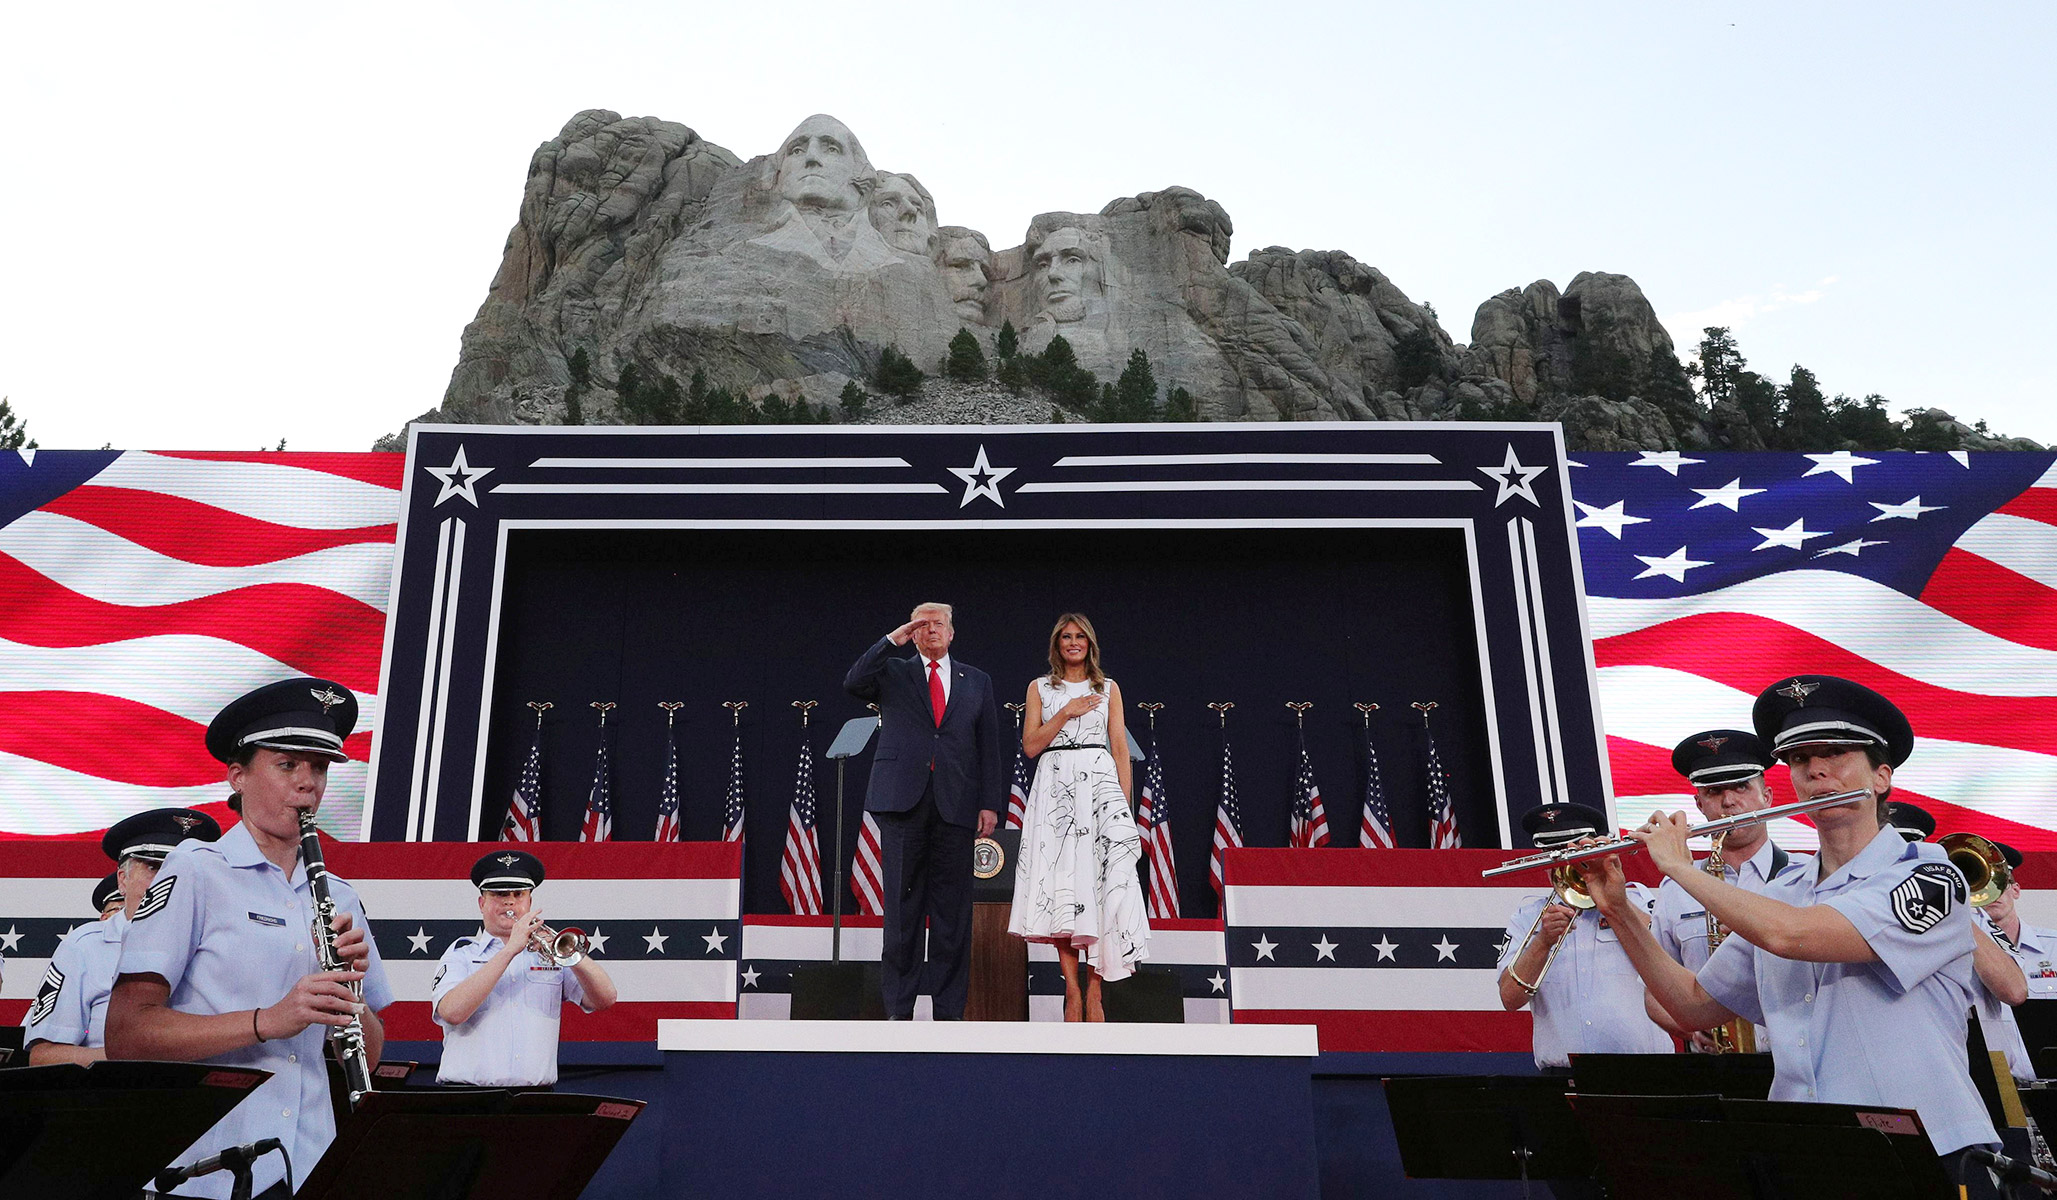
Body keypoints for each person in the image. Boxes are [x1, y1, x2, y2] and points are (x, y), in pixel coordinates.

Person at [1580, 674, 2001, 1186]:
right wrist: (1620, 909)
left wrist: (1680, 867)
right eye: (1800, 759)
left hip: (1924, 1147)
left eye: (1837, 753)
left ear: (1882, 777)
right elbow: (1691, 1005)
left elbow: (1795, 937)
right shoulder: (1785, 891)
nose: (1817, 770)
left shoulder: (1931, 874)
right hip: (1805, 1148)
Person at [108, 678, 394, 1200]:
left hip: (308, 1164)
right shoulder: (195, 870)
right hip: (207, 1173)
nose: (308, 783)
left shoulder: (342, 897)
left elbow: (368, 1057)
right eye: (287, 765)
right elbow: (126, 1035)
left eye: (320, 766)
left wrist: (352, 1003)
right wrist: (269, 1021)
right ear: (237, 776)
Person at [844, 602, 1005, 1020]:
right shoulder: (894, 672)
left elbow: (988, 745)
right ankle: (899, 1010)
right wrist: (891, 641)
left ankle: (949, 1014)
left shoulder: (977, 680)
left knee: (953, 916)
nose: (931, 630)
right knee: (901, 912)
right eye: (923, 625)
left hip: (957, 806)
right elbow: (854, 682)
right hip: (902, 803)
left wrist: (990, 803)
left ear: (952, 633)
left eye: (939, 624)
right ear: (912, 633)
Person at [1009, 614, 1150, 1021]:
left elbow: (1120, 747)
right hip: (1056, 790)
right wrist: (1066, 712)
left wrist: (1122, 806)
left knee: (1103, 886)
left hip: (1101, 790)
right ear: (1057, 644)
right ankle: (1070, 988)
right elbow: (1031, 746)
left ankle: (1095, 988)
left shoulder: (1108, 689)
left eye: (1080, 637)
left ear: (1090, 644)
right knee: (1063, 886)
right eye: (1066, 637)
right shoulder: (1040, 688)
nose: (1073, 643)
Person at [1646, 729, 1808, 1050]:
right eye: (1714, 791)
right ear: (1699, 804)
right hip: (1715, 1064)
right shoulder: (1675, 887)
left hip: (1797, 1057)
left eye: (1742, 787)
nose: (1729, 801)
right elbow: (1654, 992)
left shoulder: (1804, 875)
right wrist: (1691, 1029)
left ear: (1768, 797)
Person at [24, 808, 222, 1065]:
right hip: (115, 1099)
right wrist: (135, 1058)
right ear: (122, 880)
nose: (169, 881)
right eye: (154, 867)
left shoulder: (226, 946)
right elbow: (44, 1057)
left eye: (185, 871)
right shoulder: (86, 947)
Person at [1496, 801, 1673, 1070]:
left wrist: (1618, 906)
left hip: (1645, 1072)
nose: (1566, 864)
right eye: (1552, 854)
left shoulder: (1644, 902)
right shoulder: (1528, 916)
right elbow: (1509, 998)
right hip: (1563, 1076)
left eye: (1576, 852)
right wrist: (1542, 941)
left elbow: (1675, 969)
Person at [433, 849, 618, 1087]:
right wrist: (510, 950)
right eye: (499, 894)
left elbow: (605, 999)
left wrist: (573, 955)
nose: (509, 901)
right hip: (469, 1098)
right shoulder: (461, 953)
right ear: (482, 903)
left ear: (529, 903)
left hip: (535, 1099)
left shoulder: (550, 954)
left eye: (518, 894)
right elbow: (452, 1012)